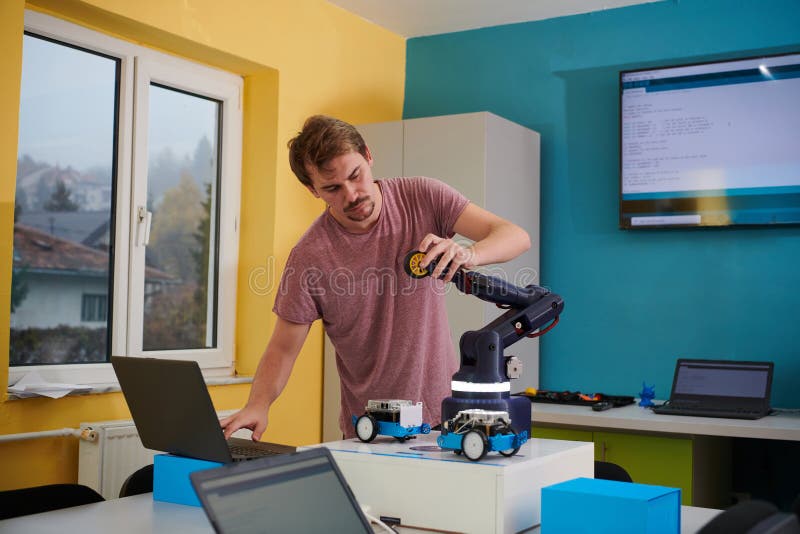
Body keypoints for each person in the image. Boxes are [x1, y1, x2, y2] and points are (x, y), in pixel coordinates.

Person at [221, 115, 531, 440]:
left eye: (356, 176)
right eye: (332, 188)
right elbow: (283, 349)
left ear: (368, 156)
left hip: (444, 420)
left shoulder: (423, 197)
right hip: (368, 430)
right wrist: (258, 405)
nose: (352, 195)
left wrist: (469, 254)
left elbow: (515, 236)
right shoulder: (309, 256)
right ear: (312, 190)